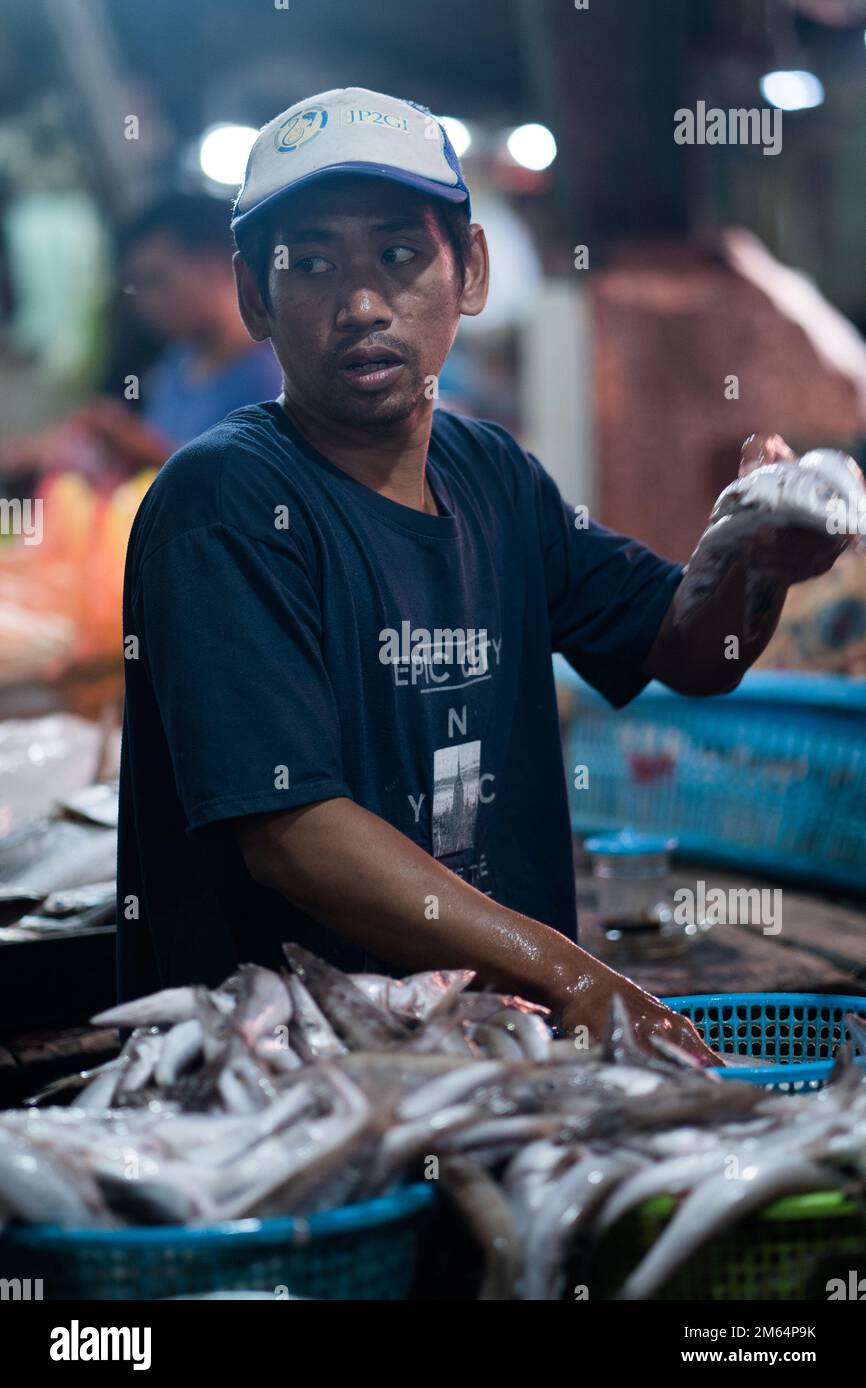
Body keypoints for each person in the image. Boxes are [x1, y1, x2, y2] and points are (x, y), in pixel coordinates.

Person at [117, 87, 846, 1059]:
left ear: (469, 270)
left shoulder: (492, 473)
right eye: (312, 263)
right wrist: (573, 974)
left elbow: (687, 651)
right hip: (292, 1081)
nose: (362, 303)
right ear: (255, 294)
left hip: (498, 1051)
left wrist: (754, 564)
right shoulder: (224, 501)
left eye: (399, 254)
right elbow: (294, 831)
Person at [0, 192, 282, 486]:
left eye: (156, 279)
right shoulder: (178, 361)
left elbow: (243, 484)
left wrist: (134, 443)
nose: (143, 302)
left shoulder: (273, 373)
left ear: (214, 266)